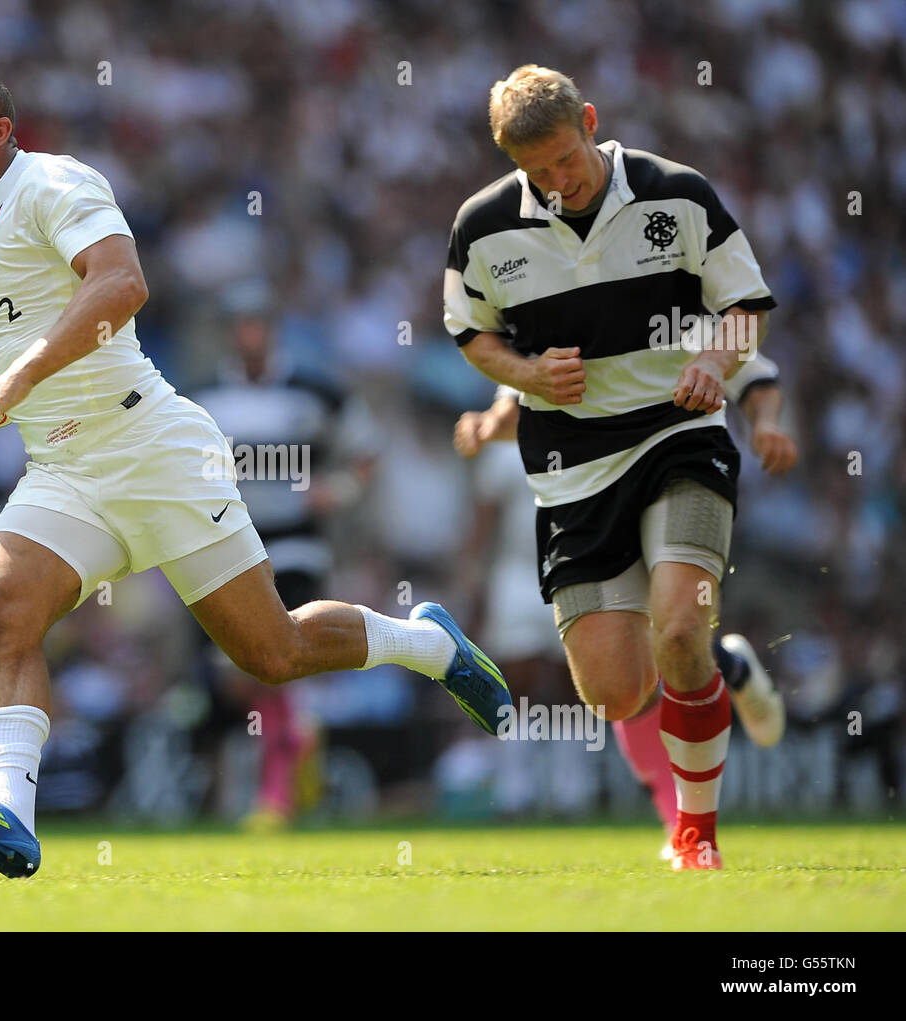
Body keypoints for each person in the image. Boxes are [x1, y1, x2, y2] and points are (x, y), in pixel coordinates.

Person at [0, 68, 508, 877]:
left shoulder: (53, 180)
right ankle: (13, 814)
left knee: (272, 653)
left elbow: (122, 283)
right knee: (2, 607)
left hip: (152, 447)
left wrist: (23, 373)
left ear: (1, 131)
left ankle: (429, 644)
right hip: (65, 468)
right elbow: (15, 358)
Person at [443, 65, 777, 869]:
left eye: (566, 159)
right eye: (537, 172)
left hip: (677, 436)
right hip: (571, 470)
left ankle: (695, 834)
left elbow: (746, 308)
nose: (558, 182)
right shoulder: (482, 227)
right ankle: (727, 668)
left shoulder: (678, 193)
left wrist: (715, 363)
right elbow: (471, 332)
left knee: (677, 625)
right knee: (615, 692)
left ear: (590, 121)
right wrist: (524, 379)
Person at [454, 353, 795, 847]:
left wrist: (764, 422)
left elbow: (746, 350)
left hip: (644, 512)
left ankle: (665, 816)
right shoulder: (546, 330)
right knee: (608, 686)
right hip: (551, 553)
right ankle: (530, 791)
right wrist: (488, 426)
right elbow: (515, 402)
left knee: (663, 654)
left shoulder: (669, 313)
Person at [189, 287, 378, 828]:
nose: (249, 335)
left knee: (278, 655)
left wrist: (335, 490)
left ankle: (276, 790)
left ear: (271, 329)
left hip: (294, 540)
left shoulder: (314, 390)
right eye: (240, 325)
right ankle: (295, 742)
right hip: (229, 546)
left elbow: (365, 450)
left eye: (258, 324)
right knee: (238, 672)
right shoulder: (202, 396)